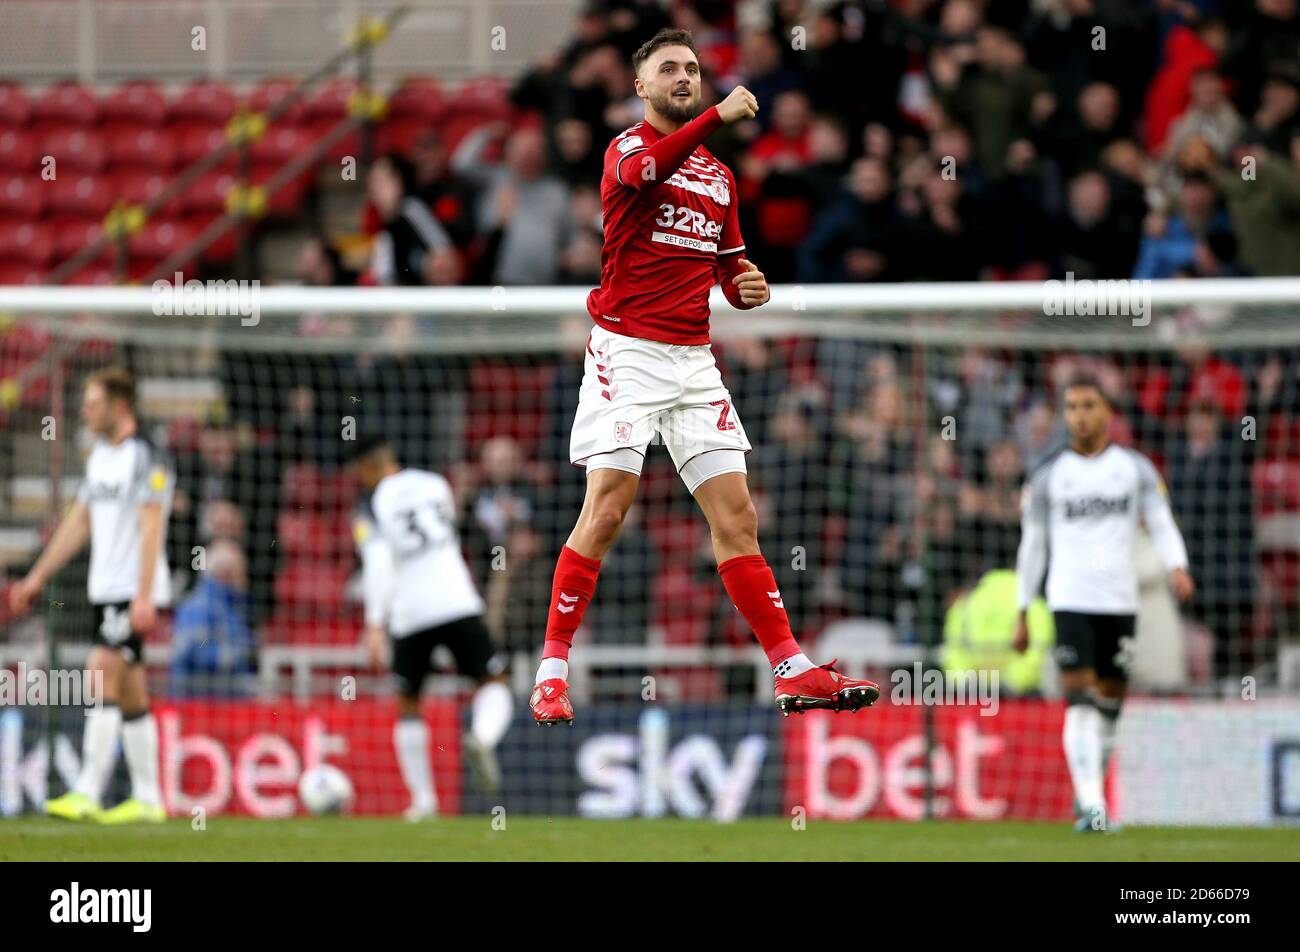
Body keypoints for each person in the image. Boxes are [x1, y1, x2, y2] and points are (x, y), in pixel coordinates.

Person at [529, 28, 879, 727]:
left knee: (738, 516)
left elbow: (729, 267)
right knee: (609, 507)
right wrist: (714, 117)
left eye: (692, 68)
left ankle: (791, 668)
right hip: (626, 350)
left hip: (693, 359)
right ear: (642, 85)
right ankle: (550, 673)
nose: (684, 76)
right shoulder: (628, 149)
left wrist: (747, 285)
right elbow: (647, 176)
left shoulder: (719, 177)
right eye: (669, 69)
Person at [1014, 374, 1195, 832]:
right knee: (1080, 700)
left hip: (1120, 601)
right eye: (1071, 407)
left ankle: (1088, 792)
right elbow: (1032, 546)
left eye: (1088, 405)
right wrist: (1022, 607)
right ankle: (1094, 806)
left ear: (1107, 412)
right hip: (1069, 598)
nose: (1079, 415)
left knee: (1112, 705)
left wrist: (1178, 564)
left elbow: (1160, 519)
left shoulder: (1135, 469)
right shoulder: (1049, 475)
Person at [9, 367, 172, 824]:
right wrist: (38, 576)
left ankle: (87, 790)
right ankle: (148, 798)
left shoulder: (148, 457)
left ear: (120, 406)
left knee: (99, 672)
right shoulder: (101, 456)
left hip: (131, 589)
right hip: (107, 589)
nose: (85, 410)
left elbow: (151, 525)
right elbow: (79, 522)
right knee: (132, 691)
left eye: (94, 402)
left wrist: (143, 596)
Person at [349, 434, 512, 819]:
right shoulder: (436, 484)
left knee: (408, 706)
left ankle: (423, 802)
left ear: (365, 468)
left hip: (410, 614)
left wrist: (374, 625)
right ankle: (483, 737)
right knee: (493, 683)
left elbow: (377, 564)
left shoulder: (369, 504)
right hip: (457, 600)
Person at [169, 539, 256, 698]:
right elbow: (193, 650)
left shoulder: (235, 607)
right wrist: (235, 654)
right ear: (226, 574)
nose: (245, 580)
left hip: (231, 702)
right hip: (196, 702)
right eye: (241, 573)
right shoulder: (197, 605)